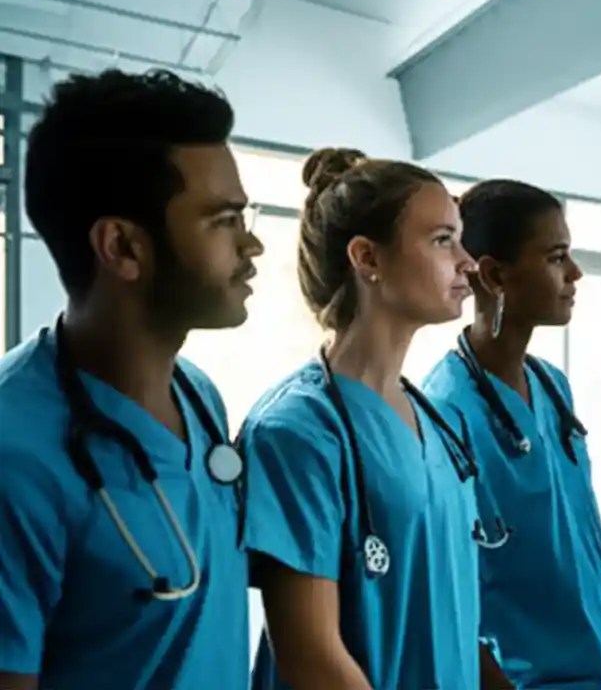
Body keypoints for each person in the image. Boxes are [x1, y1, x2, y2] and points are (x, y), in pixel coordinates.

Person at [0, 69, 263, 689]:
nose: (250, 244)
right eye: (223, 220)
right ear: (121, 246)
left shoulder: (198, 395)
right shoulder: (16, 457)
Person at [240, 148, 484, 690]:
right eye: (443, 239)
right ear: (367, 258)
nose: (468, 260)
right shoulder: (298, 430)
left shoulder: (436, 424)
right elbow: (312, 661)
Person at [422, 179, 601, 689]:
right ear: (493, 274)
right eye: (556, 258)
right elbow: (444, 594)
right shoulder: (444, 410)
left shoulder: (553, 386)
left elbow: (585, 529)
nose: (575, 273)